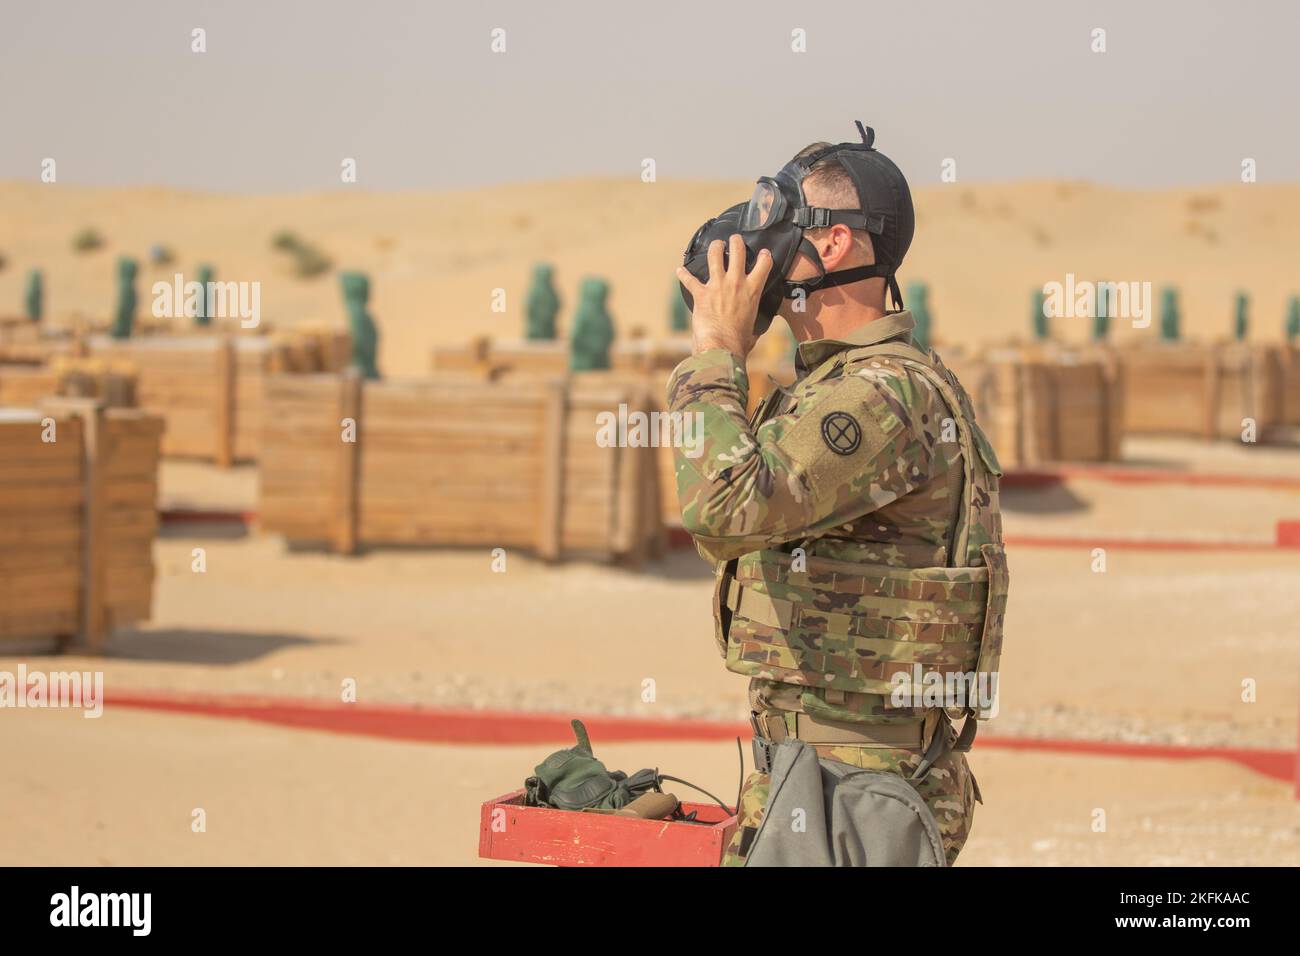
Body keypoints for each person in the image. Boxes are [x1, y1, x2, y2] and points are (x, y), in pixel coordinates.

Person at [669, 126, 1008, 866]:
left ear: (834, 246)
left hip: (854, 787)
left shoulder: (883, 394)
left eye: (778, 219)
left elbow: (720, 509)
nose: (755, 242)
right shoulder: (834, 387)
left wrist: (715, 357)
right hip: (824, 775)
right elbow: (727, 530)